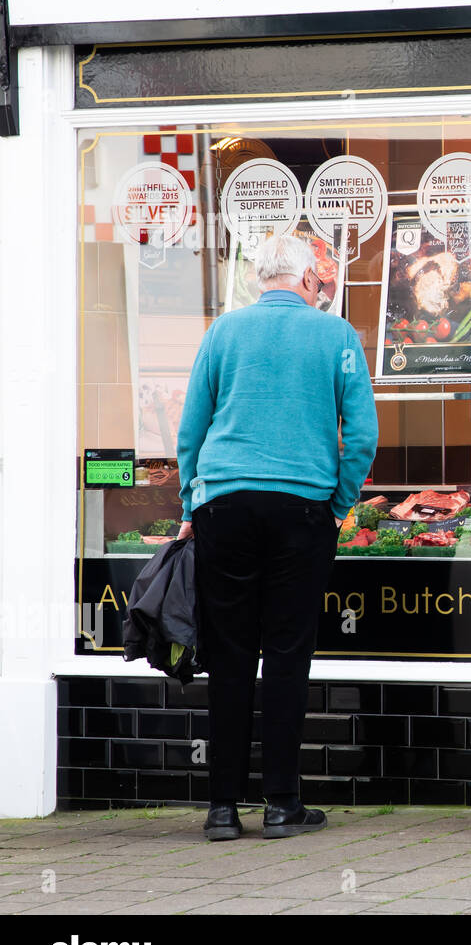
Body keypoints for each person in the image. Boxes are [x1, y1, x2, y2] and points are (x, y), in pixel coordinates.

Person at [177, 234, 378, 841]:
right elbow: (361, 436)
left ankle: (221, 809)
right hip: (301, 509)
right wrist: (337, 504)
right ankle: (282, 805)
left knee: (229, 655)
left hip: (225, 506)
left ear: (257, 277)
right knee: (288, 655)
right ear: (307, 277)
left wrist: (193, 499)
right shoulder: (336, 335)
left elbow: (191, 427)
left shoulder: (222, 332)